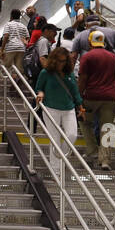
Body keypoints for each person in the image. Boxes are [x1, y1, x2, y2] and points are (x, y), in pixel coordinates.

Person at [34, 47, 84, 180]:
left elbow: (75, 91)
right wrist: (41, 93)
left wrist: (80, 106)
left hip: (68, 108)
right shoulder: (45, 73)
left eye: (64, 61)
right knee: (54, 139)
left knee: (72, 135)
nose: (61, 64)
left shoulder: (70, 74)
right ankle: (56, 171)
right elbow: (39, 87)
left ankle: (61, 158)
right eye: (59, 61)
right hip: (51, 108)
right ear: (54, 60)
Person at [77, 30, 115, 171]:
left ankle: (92, 150)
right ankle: (105, 160)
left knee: (84, 122)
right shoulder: (113, 57)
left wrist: (78, 97)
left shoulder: (87, 57)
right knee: (108, 128)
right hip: (110, 97)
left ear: (90, 42)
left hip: (91, 97)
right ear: (103, 41)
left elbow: (83, 79)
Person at [0, 8, 31, 79]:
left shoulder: (8, 24)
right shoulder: (23, 26)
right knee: (18, 68)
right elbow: (27, 37)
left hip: (11, 48)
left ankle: (12, 79)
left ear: (11, 16)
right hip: (21, 48)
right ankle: (16, 79)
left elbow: (6, 36)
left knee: (6, 66)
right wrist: (24, 42)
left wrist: (2, 50)